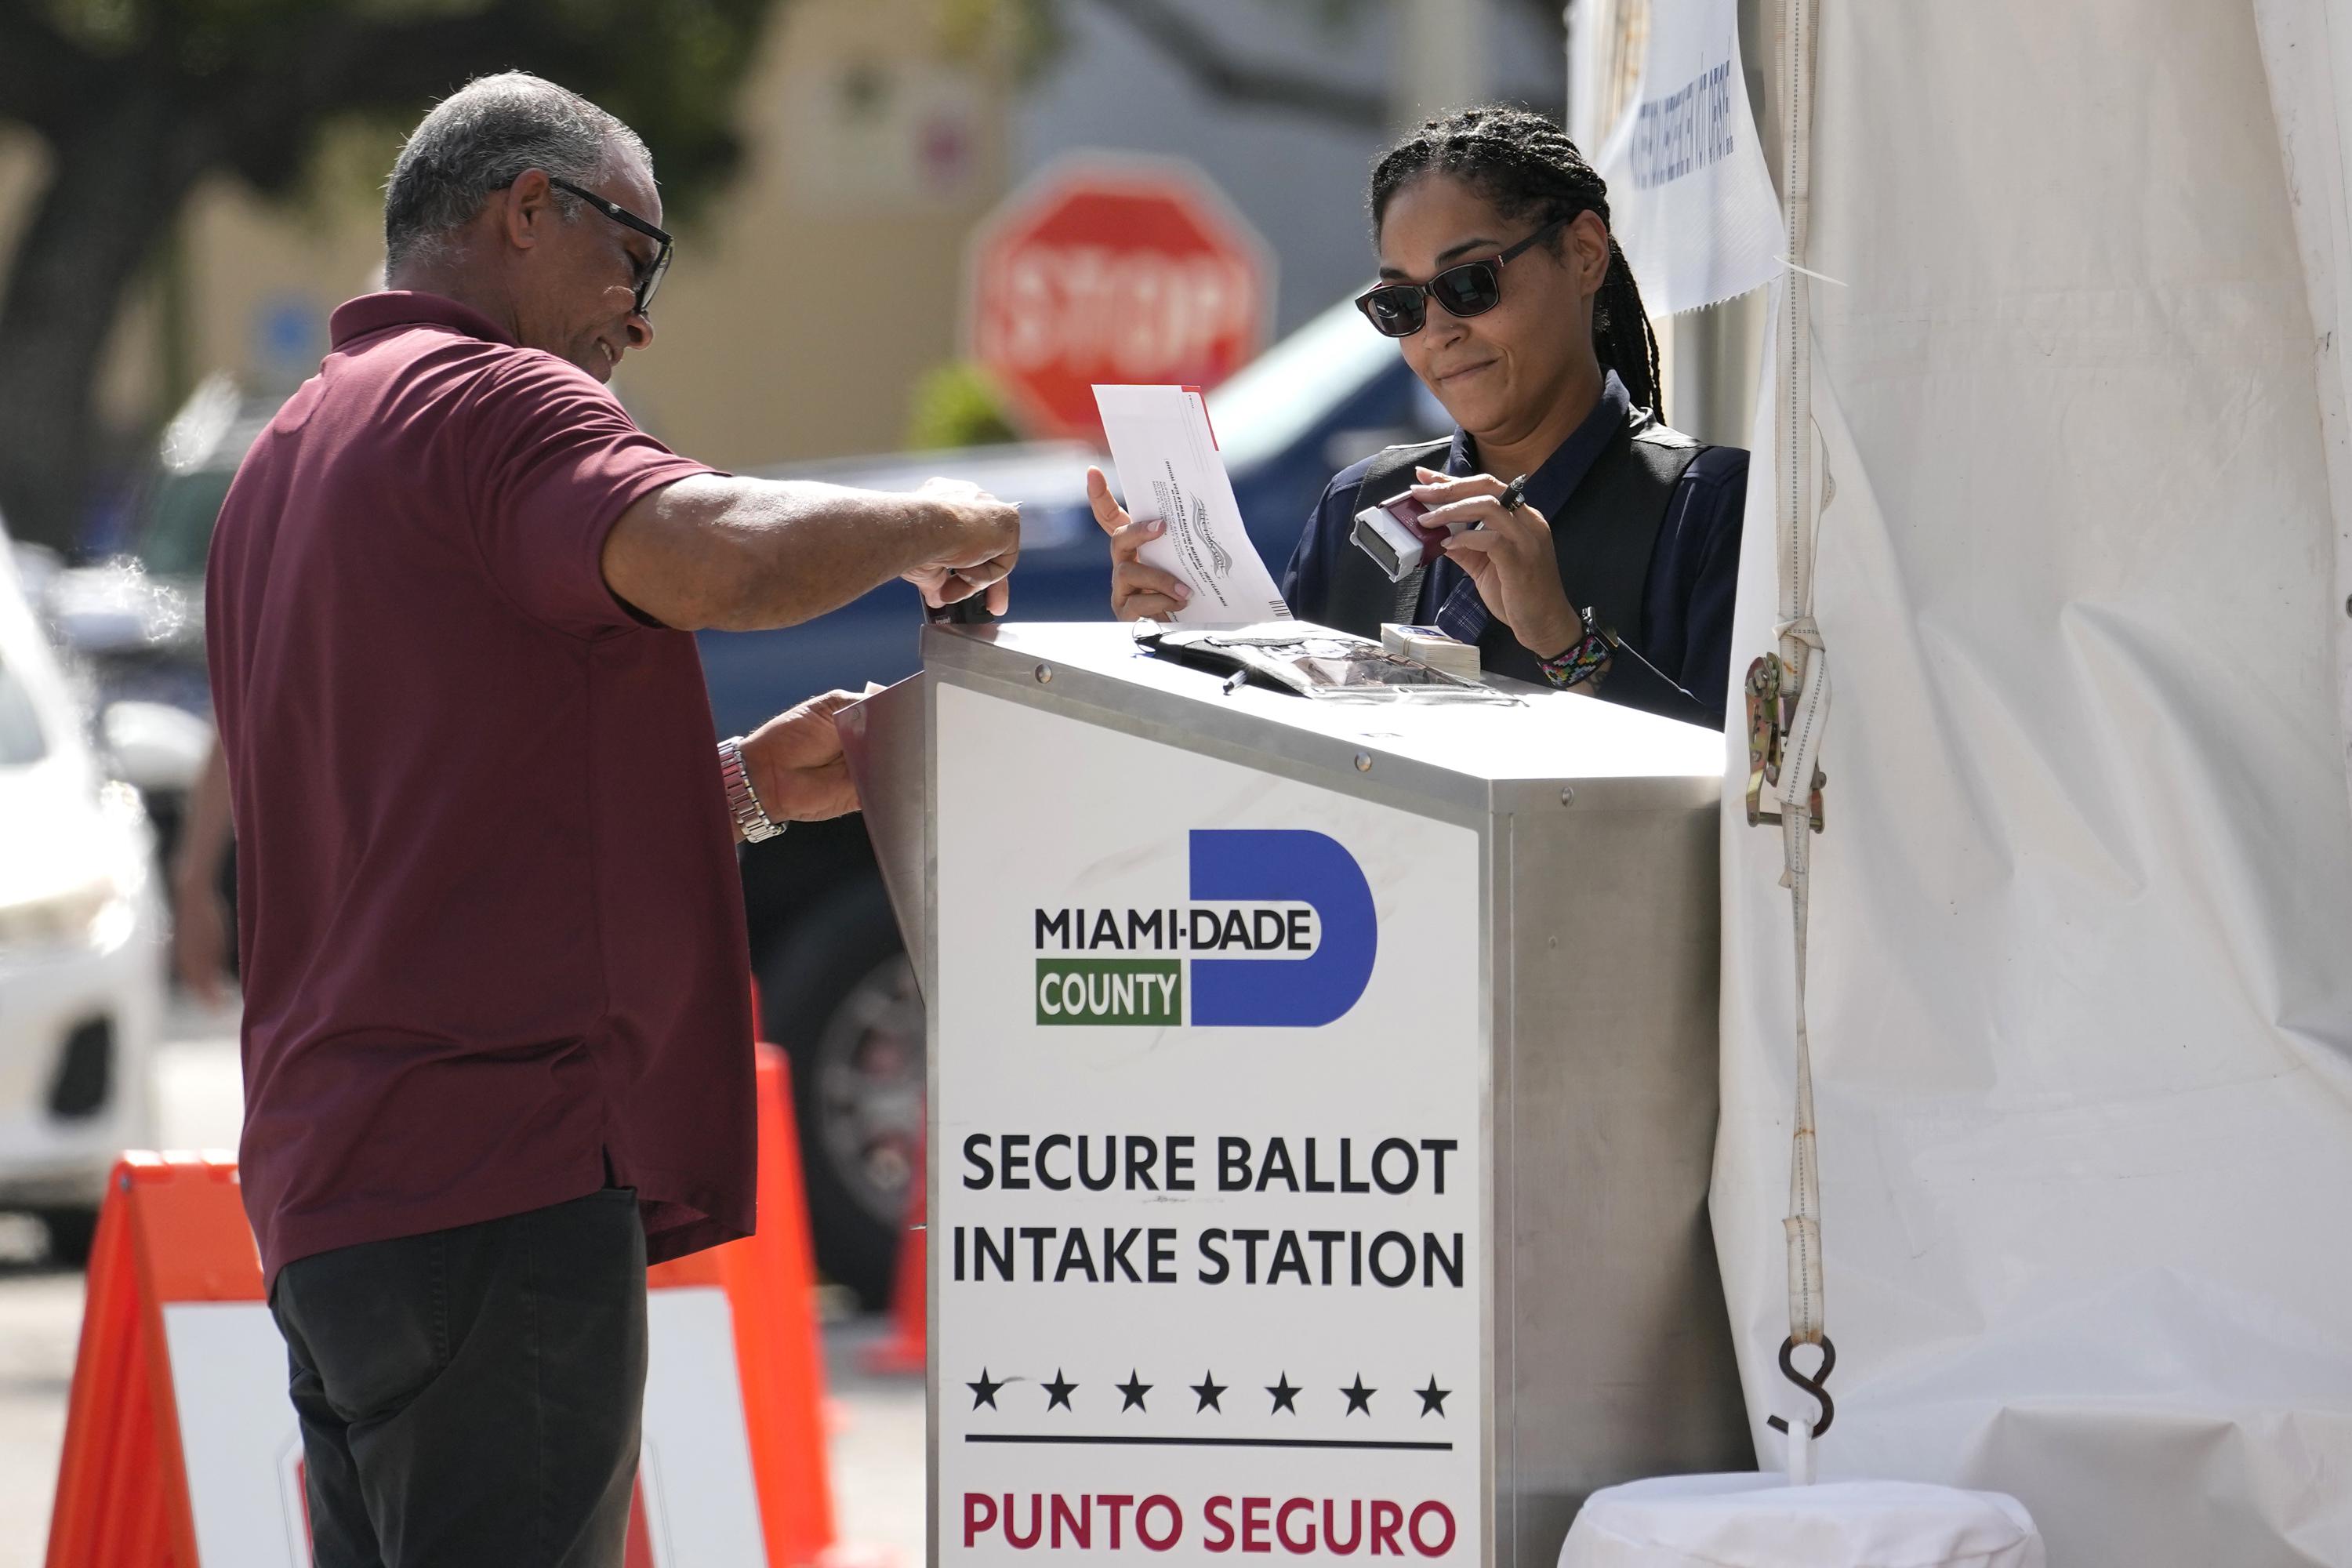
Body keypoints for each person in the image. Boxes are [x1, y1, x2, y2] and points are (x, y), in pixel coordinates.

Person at [204, 74, 1019, 1567]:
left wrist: (746, 789)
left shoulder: (286, 458)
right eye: (634, 257)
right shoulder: (496, 397)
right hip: (493, 1177)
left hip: (339, 1194)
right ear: (529, 211)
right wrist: (940, 520)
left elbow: (431, 838)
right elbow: (709, 553)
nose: (637, 320)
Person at [1094, 107, 1746, 728]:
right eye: (1400, 305)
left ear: (1583, 253)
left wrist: (1563, 639)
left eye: (1469, 284)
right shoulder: (1359, 502)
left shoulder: (1709, 507)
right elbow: (1280, 768)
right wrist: (1187, 633)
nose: (1437, 332)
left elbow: (1741, 809)